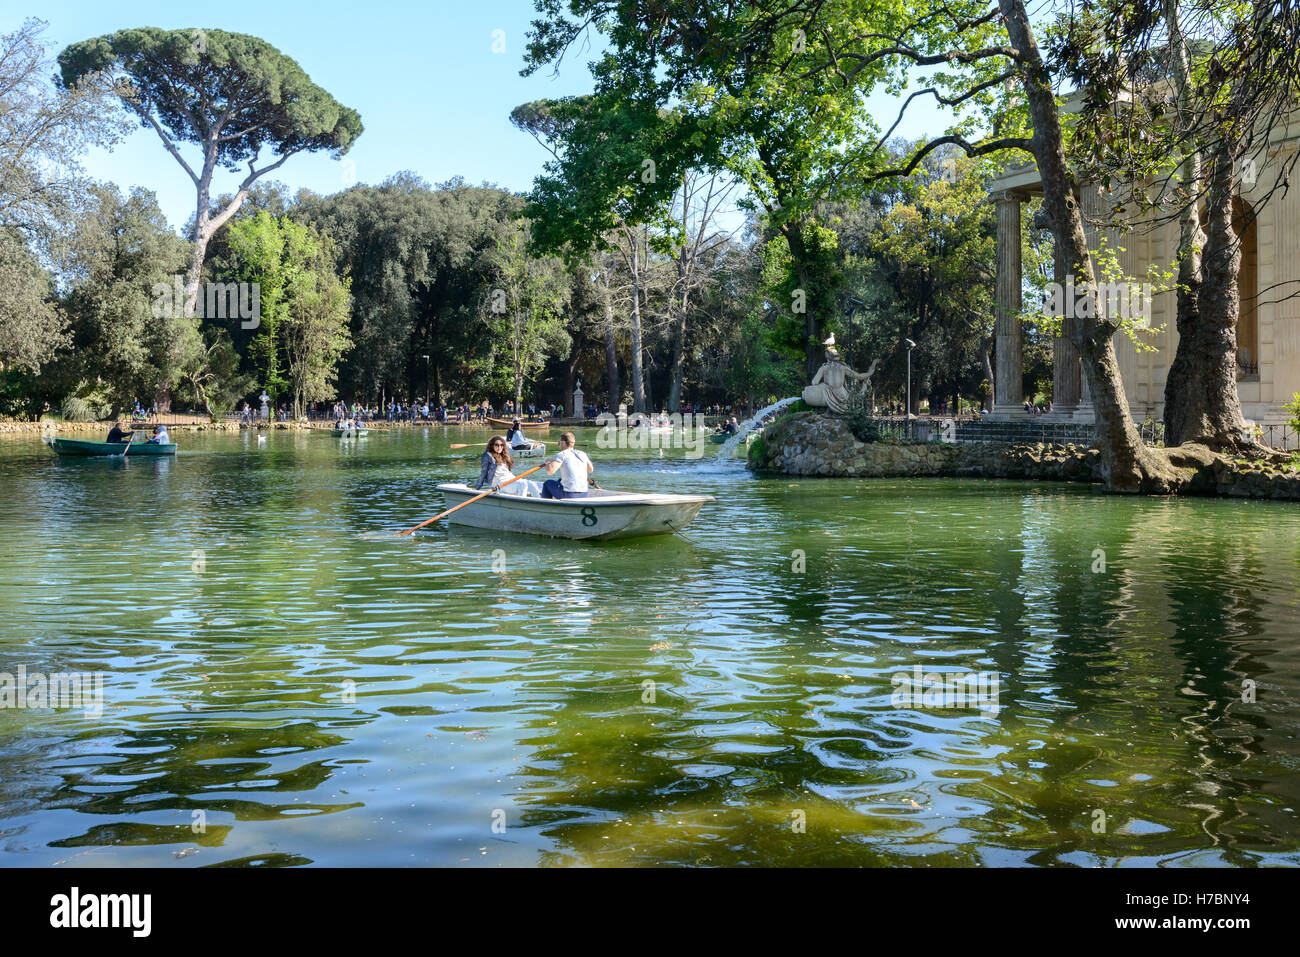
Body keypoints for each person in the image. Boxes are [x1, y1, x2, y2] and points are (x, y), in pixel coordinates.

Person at [541, 432, 592, 500]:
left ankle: (546, 506)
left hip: (569, 495)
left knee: (547, 484)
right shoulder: (583, 454)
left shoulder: (561, 455)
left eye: (559, 443)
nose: (559, 445)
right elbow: (590, 470)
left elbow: (550, 471)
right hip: (584, 494)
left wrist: (548, 462)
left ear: (563, 443)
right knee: (560, 480)